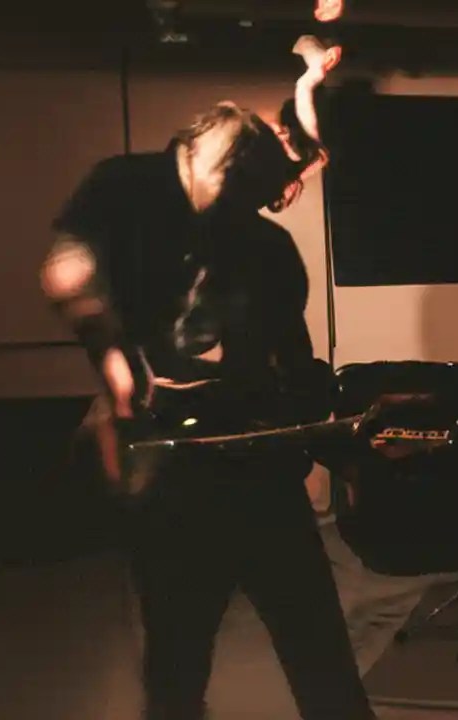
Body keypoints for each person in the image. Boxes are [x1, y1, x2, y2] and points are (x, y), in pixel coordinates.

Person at [39, 38, 376, 720]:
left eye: (252, 197)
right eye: (230, 188)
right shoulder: (125, 187)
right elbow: (66, 269)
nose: (237, 210)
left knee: (322, 662)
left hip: (264, 477)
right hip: (176, 485)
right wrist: (114, 366)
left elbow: (297, 370)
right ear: (195, 155)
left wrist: (351, 444)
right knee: (175, 669)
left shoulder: (266, 246)